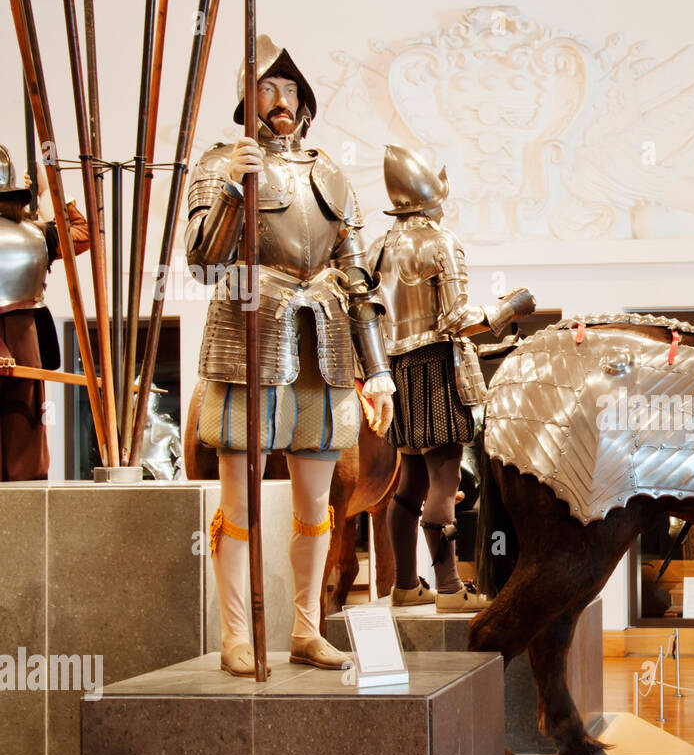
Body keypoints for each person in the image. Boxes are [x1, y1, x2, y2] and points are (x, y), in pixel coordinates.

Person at [186, 35, 394, 676]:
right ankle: (237, 636)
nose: (281, 102)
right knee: (241, 504)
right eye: (267, 90)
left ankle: (307, 628)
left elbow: (357, 278)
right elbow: (203, 260)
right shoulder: (220, 164)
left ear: (305, 102)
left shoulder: (329, 173)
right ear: (246, 101)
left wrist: (379, 367)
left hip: (323, 346)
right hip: (248, 333)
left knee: (317, 503)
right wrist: (233, 192)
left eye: (290, 91)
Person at [369, 145, 533, 611]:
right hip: (438, 366)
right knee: (444, 481)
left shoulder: (380, 245)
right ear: (431, 194)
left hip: (398, 371)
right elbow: (458, 317)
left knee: (410, 484)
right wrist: (509, 308)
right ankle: (447, 589)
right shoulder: (439, 241)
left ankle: (405, 584)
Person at [0, 148, 90, 480]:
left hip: (24, 341)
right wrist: (49, 189)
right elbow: (82, 232)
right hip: (24, 341)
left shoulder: (38, 232)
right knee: (25, 432)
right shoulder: (36, 233)